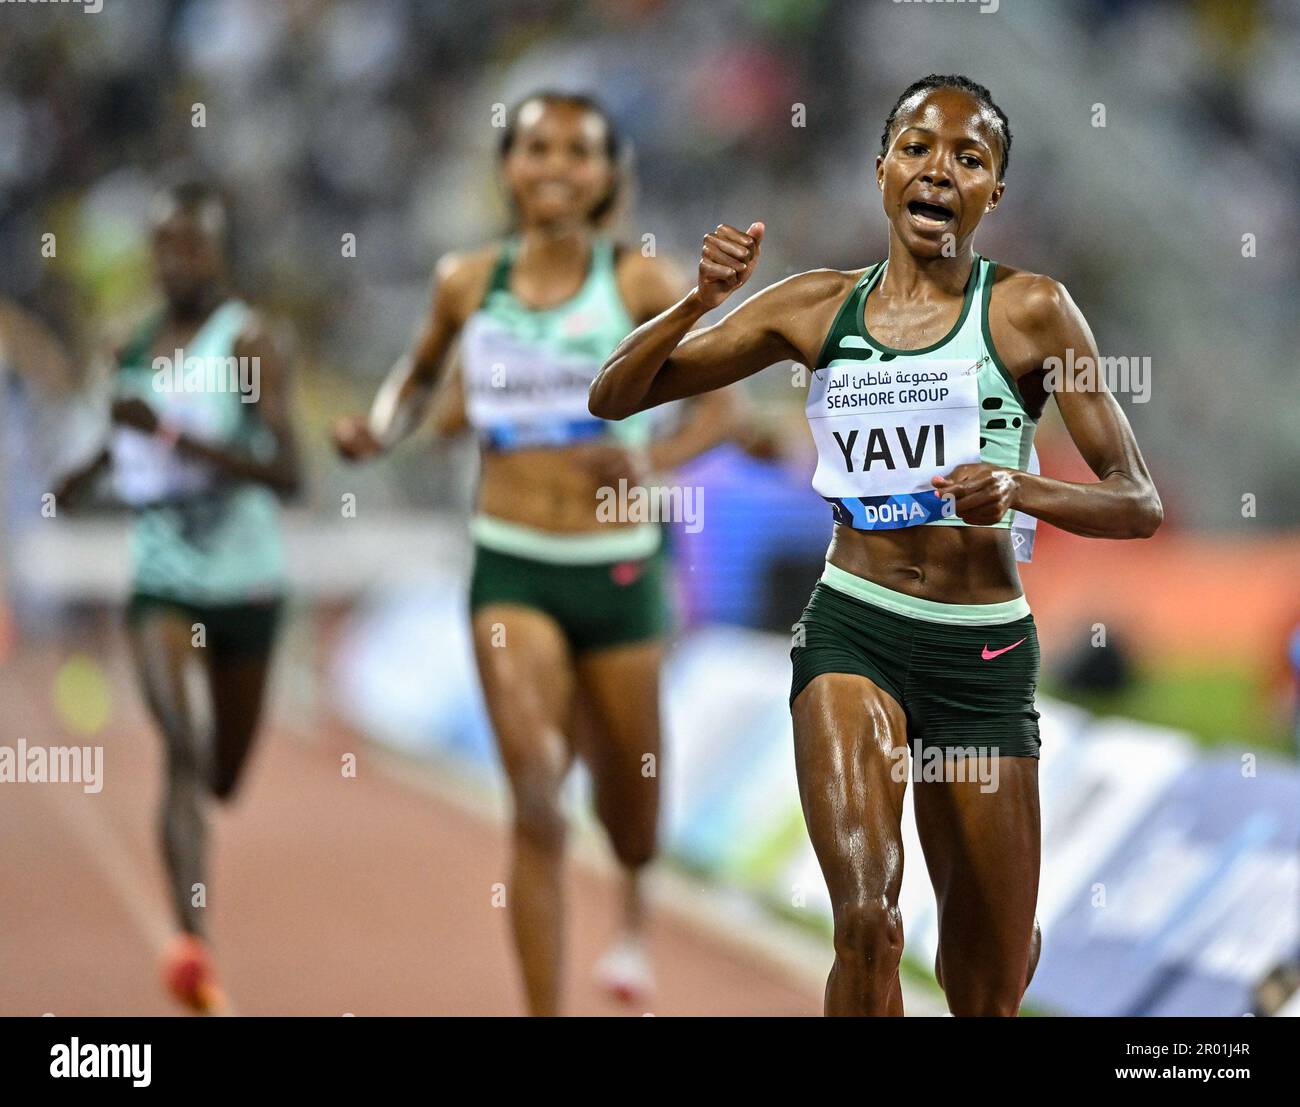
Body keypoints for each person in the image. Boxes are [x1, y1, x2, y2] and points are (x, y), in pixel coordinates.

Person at [589, 74, 1163, 1016]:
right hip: (855, 627)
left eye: (969, 158)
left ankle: (1003, 945)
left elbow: (1135, 500)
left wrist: (1019, 485)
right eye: (919, 148)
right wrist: (697, 300)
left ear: (995, 193)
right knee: (866, 921)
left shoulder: (1031, 312)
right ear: (884, 167)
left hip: (982, 650)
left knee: (986, 989)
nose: (940, 170)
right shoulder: (815, 307)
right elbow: (614, 395)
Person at [333, 91, 757, 1015]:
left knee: (632, 814)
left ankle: (635, 909)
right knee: (533, 792)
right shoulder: (466, 281)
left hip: (618, 569)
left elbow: (724, 406)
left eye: (579, 149)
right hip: (511, 563)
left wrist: (649, 456)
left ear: (608, 175)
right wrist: (378, 428)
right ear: (506, 167)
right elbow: (417, 377)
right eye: (536, 147)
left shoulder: (641, 281)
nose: (557, 164)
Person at [55, 182, 301, 1013]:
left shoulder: (250, 342)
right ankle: (194, 943)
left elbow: (291, 473)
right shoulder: (131, 345)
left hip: (246, 580)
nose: (176, 262)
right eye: (164, 247)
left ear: (221, 251)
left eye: (192, 246)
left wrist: (174, 435)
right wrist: (79, 481)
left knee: (224, 774)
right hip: (162, 576)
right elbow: (120, 454)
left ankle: (196, 915)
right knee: (180, 751)